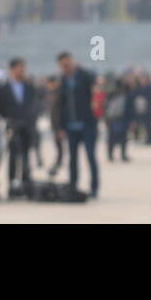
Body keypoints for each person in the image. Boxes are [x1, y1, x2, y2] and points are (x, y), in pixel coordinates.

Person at [54, 52, 99, 198]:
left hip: (87, 125)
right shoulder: (62, 81)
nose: (66, 67)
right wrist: (60, 127)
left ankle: (94, 187)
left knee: (90, 156)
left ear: (72, 62)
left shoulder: (85, 76)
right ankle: (73, 185)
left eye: (68, 64)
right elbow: (60, 105)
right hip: (70, 126)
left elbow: (96, 87)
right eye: (63, 66)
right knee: (72, 158)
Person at [0, 58, 40, 196]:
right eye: (19, 68)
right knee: (12, 158)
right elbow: (1, 107)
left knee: (26, 157)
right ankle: (12, 187)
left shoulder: (29, 87)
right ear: (11, 70)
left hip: (27, 126)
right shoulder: (4, 88)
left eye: (23, 68)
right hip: (12, 126)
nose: (21, 71)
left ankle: (26, 186)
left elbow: (34, 105)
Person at [104, 78, 131, 162]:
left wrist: (106, 119)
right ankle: (123, 155)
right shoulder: (125, 94)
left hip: (111, 118)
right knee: (123, 138)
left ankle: (110, 155)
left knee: (111, 138)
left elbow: (105, 107)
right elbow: (128, 108)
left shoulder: (110, 94)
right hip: (121, 118)